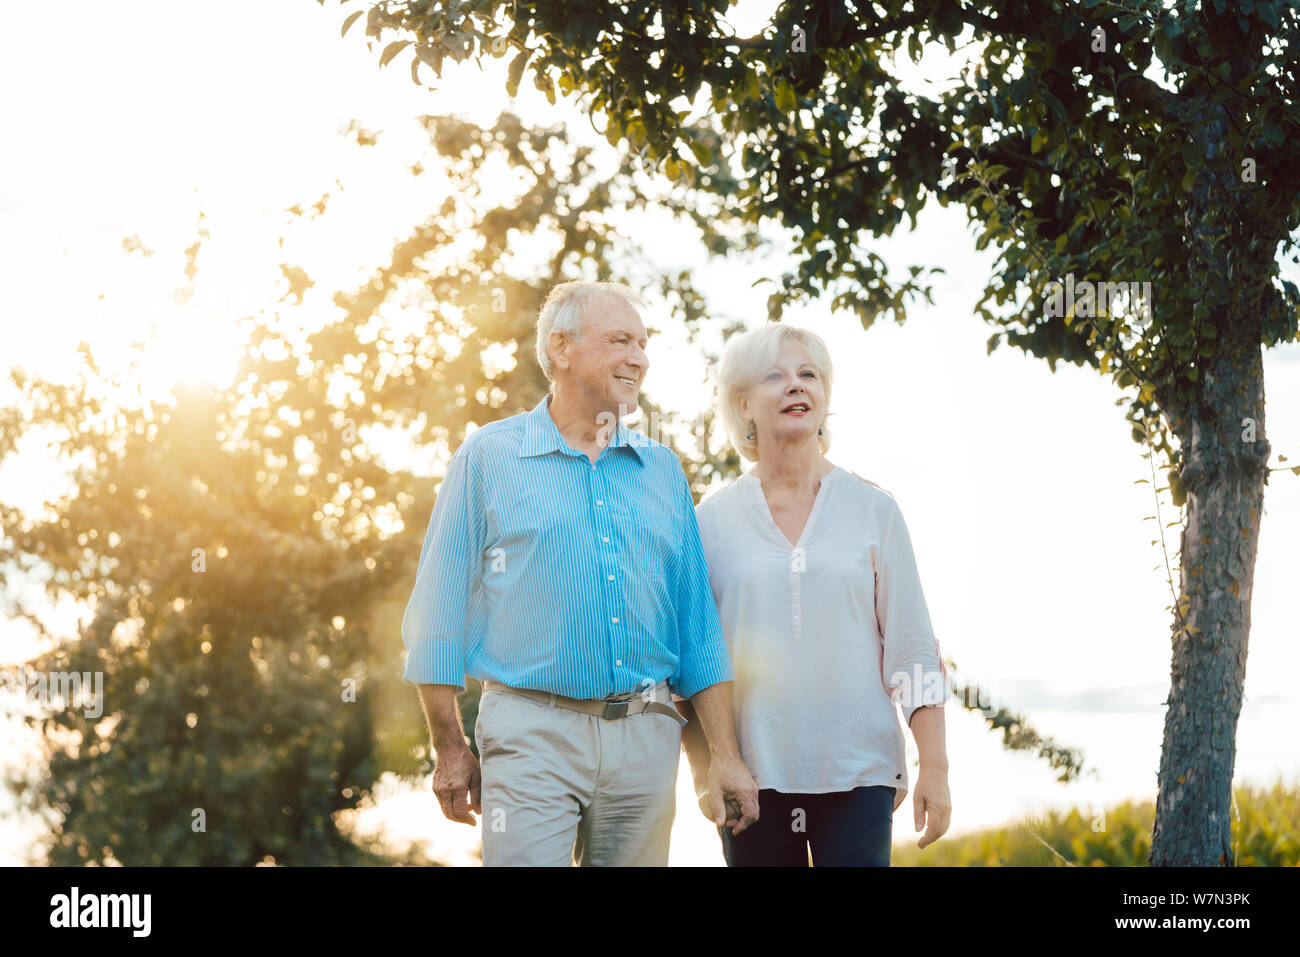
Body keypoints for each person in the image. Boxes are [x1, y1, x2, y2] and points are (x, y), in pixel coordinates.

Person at [400, 280, 759, 866]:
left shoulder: (662, 470)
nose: (638, 357)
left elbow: (697, 624)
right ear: (560, 349)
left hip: (647, 734)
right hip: (528, 729)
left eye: (643, 344)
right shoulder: (488, 458)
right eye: (619, 340)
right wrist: (449, 747)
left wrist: (725, 754)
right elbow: (437, 610)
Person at [677, 322, 952, 866]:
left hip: (861, 772)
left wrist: (935, 769)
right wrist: (707, 768)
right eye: (774, 376)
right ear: (743, 404)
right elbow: (691, 659)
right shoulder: (708, 522)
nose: (796, 386)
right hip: (752, 779)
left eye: (809, 375)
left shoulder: (875, 510)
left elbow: (913, 647)